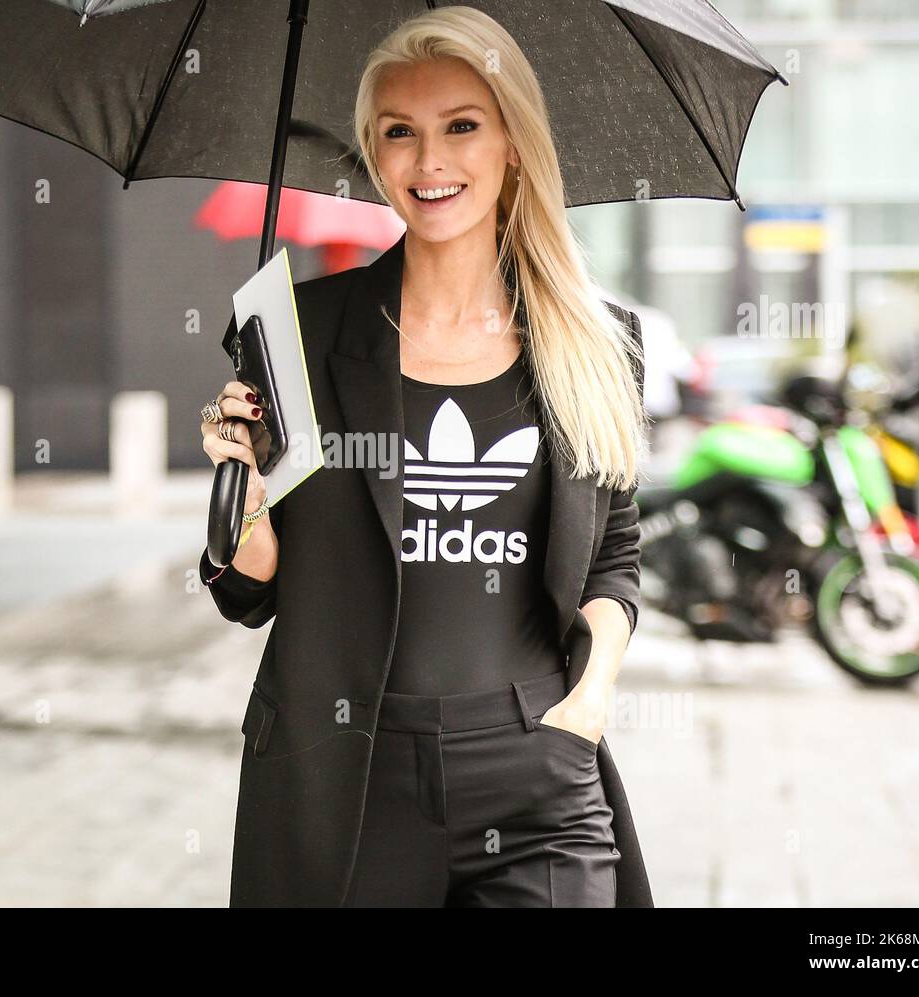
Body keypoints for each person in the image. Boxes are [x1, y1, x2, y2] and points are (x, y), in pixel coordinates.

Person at [198, 7, 652, 907]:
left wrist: (590, 700)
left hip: (539, 770)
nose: (429, 161)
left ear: (514, 142)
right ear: (373, 153)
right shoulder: (293, 331)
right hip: (346, 780)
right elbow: (251, 591)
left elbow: (615, 557)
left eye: (461, 126)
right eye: (399, 133)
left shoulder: (600, 342)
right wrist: (243, 492)